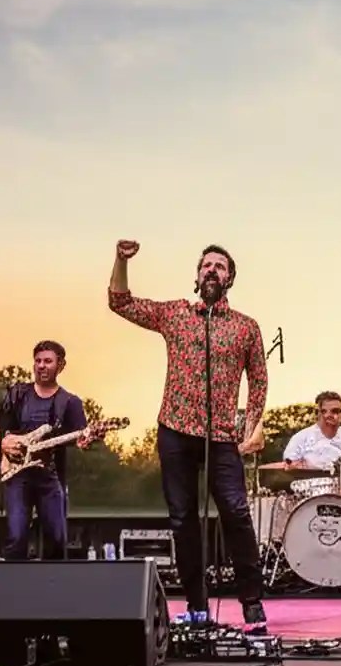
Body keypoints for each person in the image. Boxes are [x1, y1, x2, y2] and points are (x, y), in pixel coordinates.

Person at [108, 240, 269, 634]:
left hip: (221, 435)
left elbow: (259, 379)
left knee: (235, 513)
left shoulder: (246, 327)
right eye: (206, 266)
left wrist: (251, 425)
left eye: (220, 266)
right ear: (197, 276)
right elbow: (120, 302)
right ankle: (197, 607)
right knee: (183, 519)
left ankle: (251, 603)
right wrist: (121, 261)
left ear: (229, 278)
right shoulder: (175, 314)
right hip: (176, 430)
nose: (212, 270)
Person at [0, 340, 89, 561]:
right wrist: (2, 444)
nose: (42, 366)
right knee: (16, 536)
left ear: (60, 366)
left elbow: (81, 437)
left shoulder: (69, 402)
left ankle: (51, 590)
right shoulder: (17, 394)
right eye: (38, 361)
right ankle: (13, 589)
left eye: (48, 361)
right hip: (17, 475)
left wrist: (86, 441)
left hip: (50, 478)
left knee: (57, 538)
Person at [282, 391, 341, 470]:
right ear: (318, 413)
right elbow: (289, 467)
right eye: (324, 411)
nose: (330, 415)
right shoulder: (301, 438)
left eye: (336, 411)